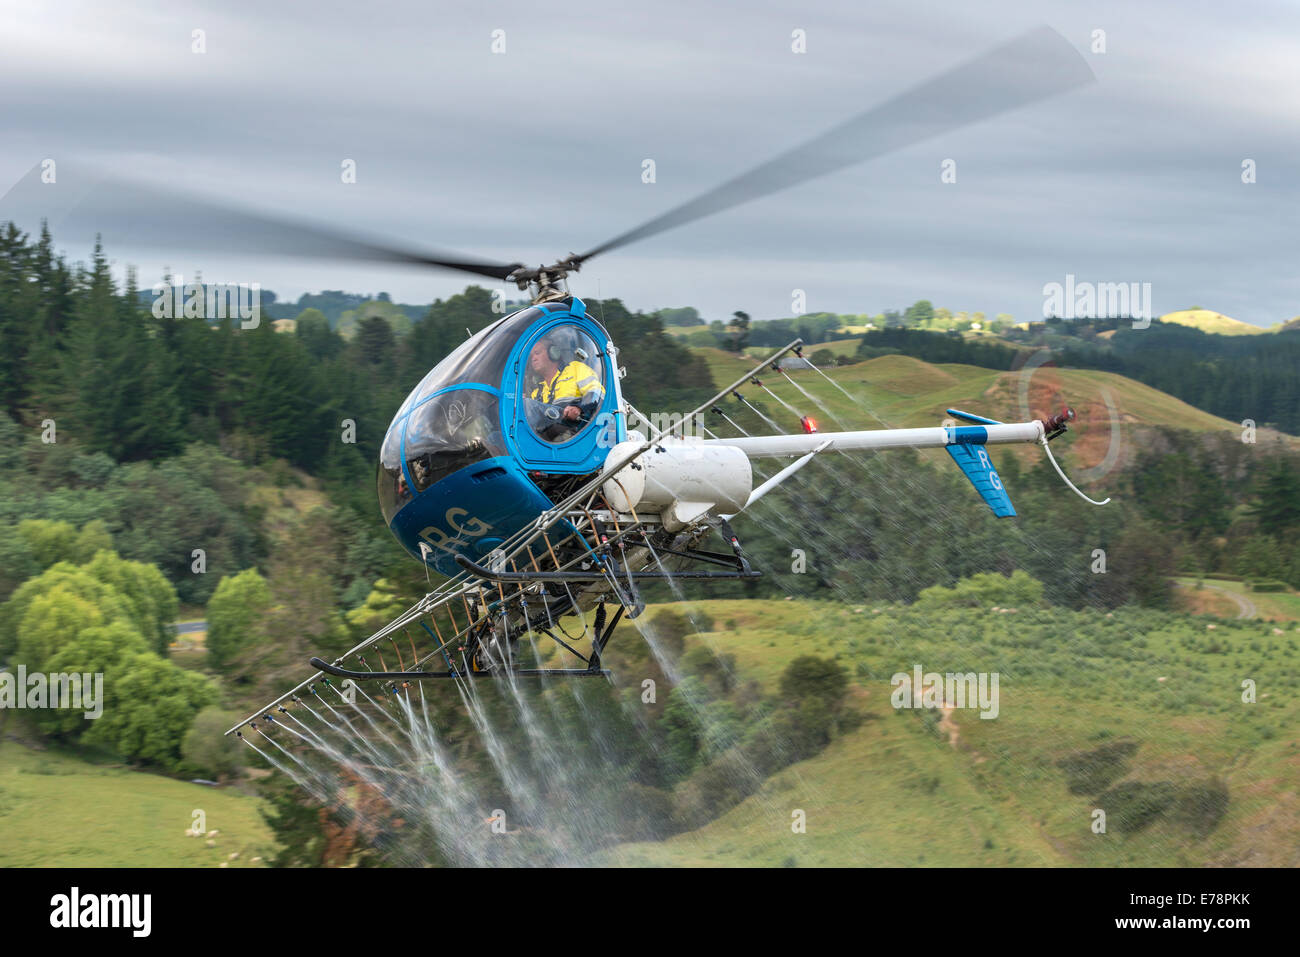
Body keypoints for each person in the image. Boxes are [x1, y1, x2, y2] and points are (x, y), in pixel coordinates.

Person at [525, 330, 604, 441]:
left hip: (571, 427)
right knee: (494, 437)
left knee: (527, 404)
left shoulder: (575, 369)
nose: (533, 358)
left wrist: (579, 408)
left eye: (537, 353)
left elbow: (596, 392)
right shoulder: (536, 392)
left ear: (553, 352)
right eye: (531, 356)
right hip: (546, 434)